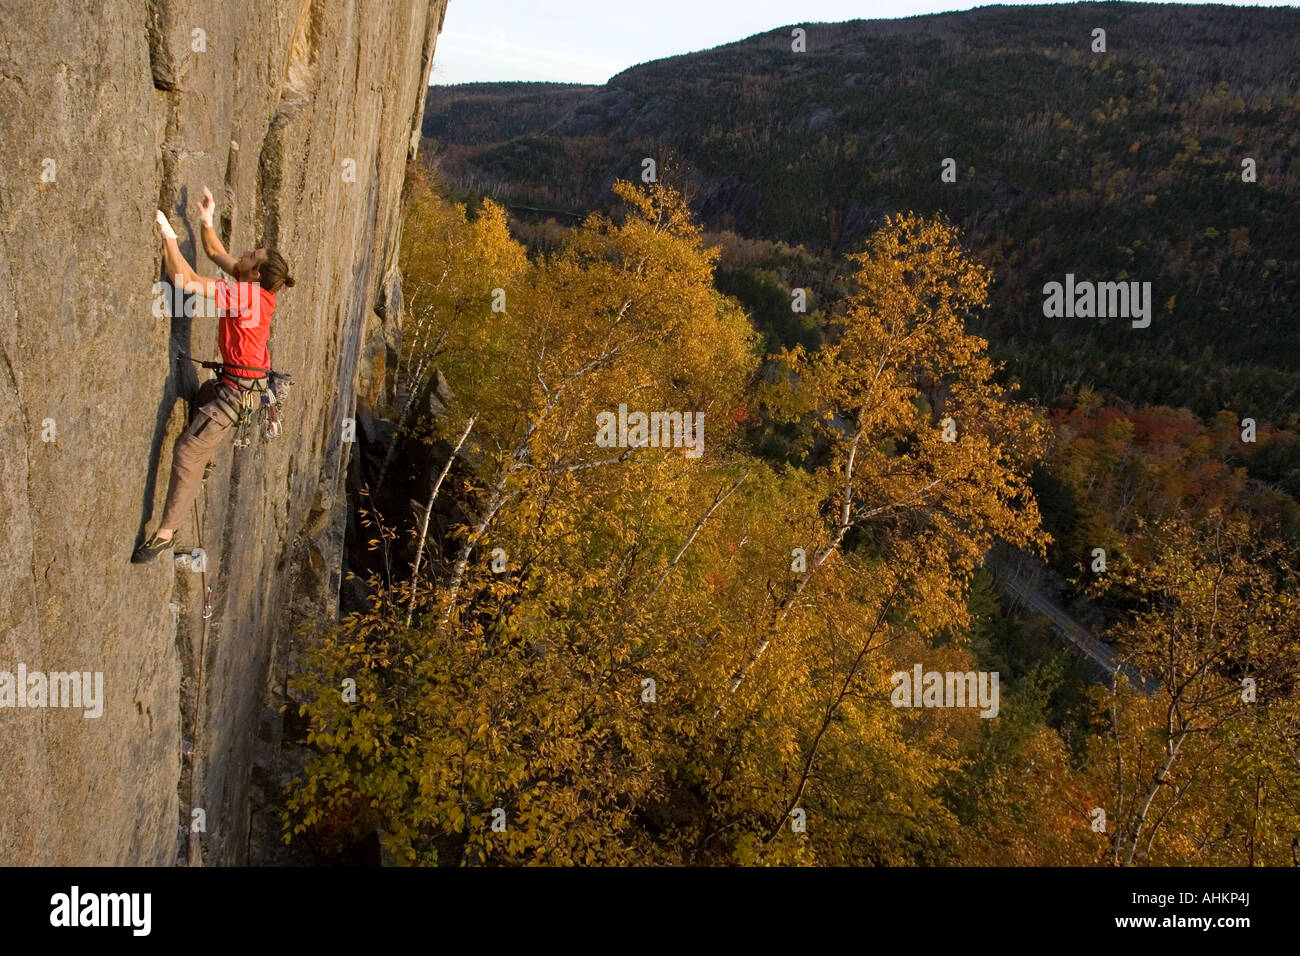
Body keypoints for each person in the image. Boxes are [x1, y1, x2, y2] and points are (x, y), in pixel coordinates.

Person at [132, 189, 295, 563]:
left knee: (187, 451)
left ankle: (166, 533)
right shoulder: (258, 289)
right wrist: (205, 220)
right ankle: (204, 460)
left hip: (235, 396)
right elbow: (214, 252)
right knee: (203, 396)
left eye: (251, 256)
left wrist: (168, 235)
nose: (244, 254)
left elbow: (185, 280)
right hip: (232, 388)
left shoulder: (245, 296)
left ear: (255, 274)